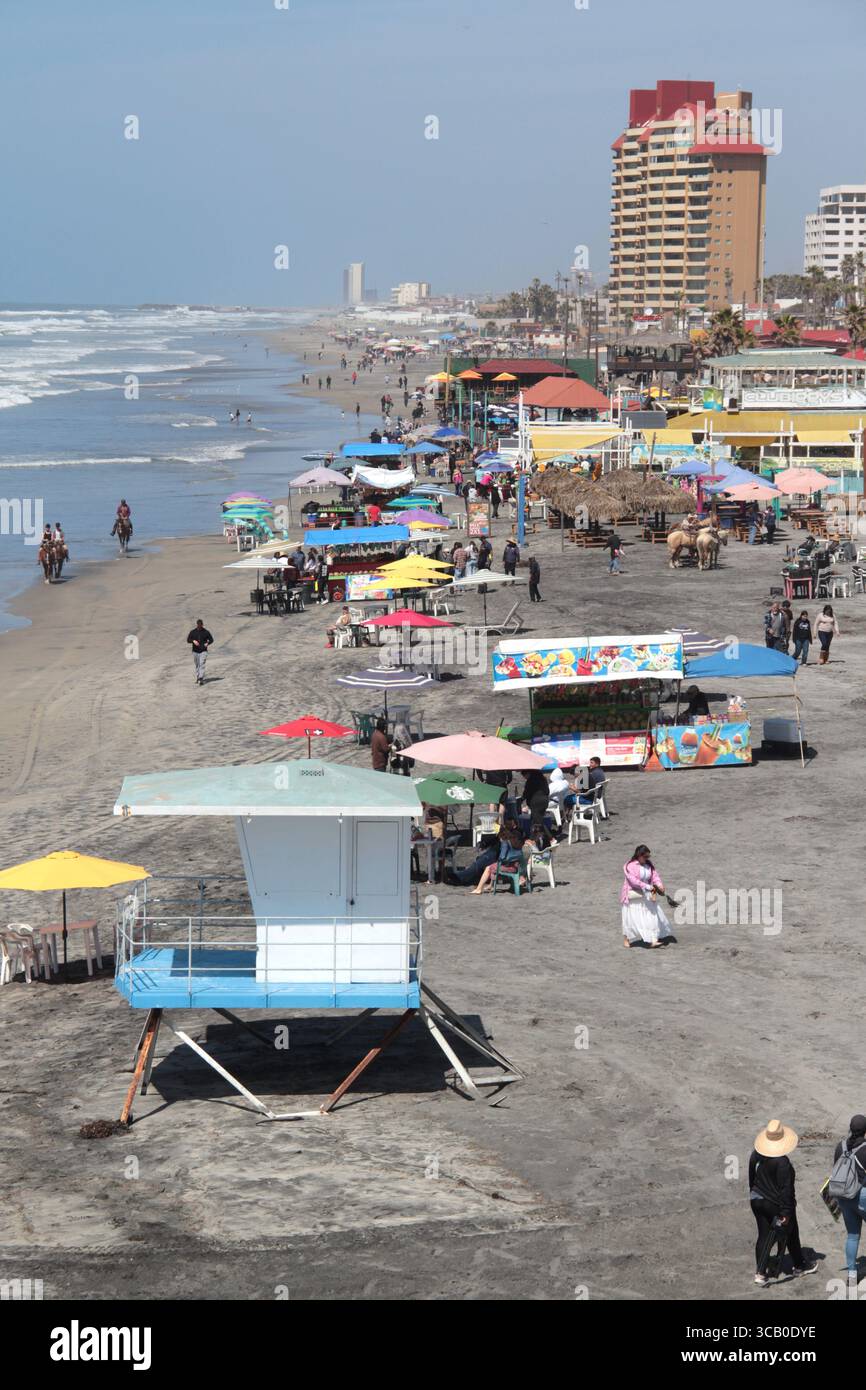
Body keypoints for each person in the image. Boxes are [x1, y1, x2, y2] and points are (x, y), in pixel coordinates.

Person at [749, 1119, 817, 1284]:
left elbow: (751, 1179)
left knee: (763, 1235)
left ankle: (761, 1273)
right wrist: (786, 1212)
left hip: (757, 1199)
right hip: (775, 1204)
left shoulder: (756, 1155)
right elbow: (786, 1190)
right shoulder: (782, 1163)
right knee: (791, 1232)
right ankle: (800, 1266)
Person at [830, 1114, 866, 1280]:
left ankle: (852, 1275)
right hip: (862, 1196)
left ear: (851, 1129)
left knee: (852, 1235)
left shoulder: (840, 1146)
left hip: (843, 1196)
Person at [620, 845, 673, 948]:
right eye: (645, 857)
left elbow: (655, 877)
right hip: (634, 896)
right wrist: (649, 887)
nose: (647, 859)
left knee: (652, 916)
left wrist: (660, 886)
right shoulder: (631, 866)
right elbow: (634, 881)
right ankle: (626, 939)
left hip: (647, 894)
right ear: (639, 855)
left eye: (648, 856)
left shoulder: (648, 865)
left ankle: (653, 940)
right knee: (630, 919)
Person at [470, 828, 526, 895]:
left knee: (488, 868)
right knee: (494, 865)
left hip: (507, 867)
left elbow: (502, 858)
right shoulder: (519, 847)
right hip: (515, 868)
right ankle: (491, 885)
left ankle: (479, 889)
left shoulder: (505, 843)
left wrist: (503, 846)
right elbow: (522, 860)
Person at [522, 767, 550, 839]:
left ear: (528, 773)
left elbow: (526, 793)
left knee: (538, 822)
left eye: (524, 775)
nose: (524, 777)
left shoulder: (531, 781)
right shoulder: (542, 779)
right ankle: (533, 837)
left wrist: (521, 799)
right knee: (535, 820)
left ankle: (550, 838)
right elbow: (547, 791)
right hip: (544, 801)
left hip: (536, 802)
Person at [187, 619, 213, 686]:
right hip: (195, 651)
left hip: (203, 651)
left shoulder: (206, 632)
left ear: (202, 625)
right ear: (197, 625)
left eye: (200, 625)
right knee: (197, 664)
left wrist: (207, 643)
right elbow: (188, 640)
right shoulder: (193, 632)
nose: (199, 626)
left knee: (202, 663)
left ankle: (201, 678)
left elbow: (211, 640)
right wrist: (193, 641)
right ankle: (198, 677)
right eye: (198, 625)